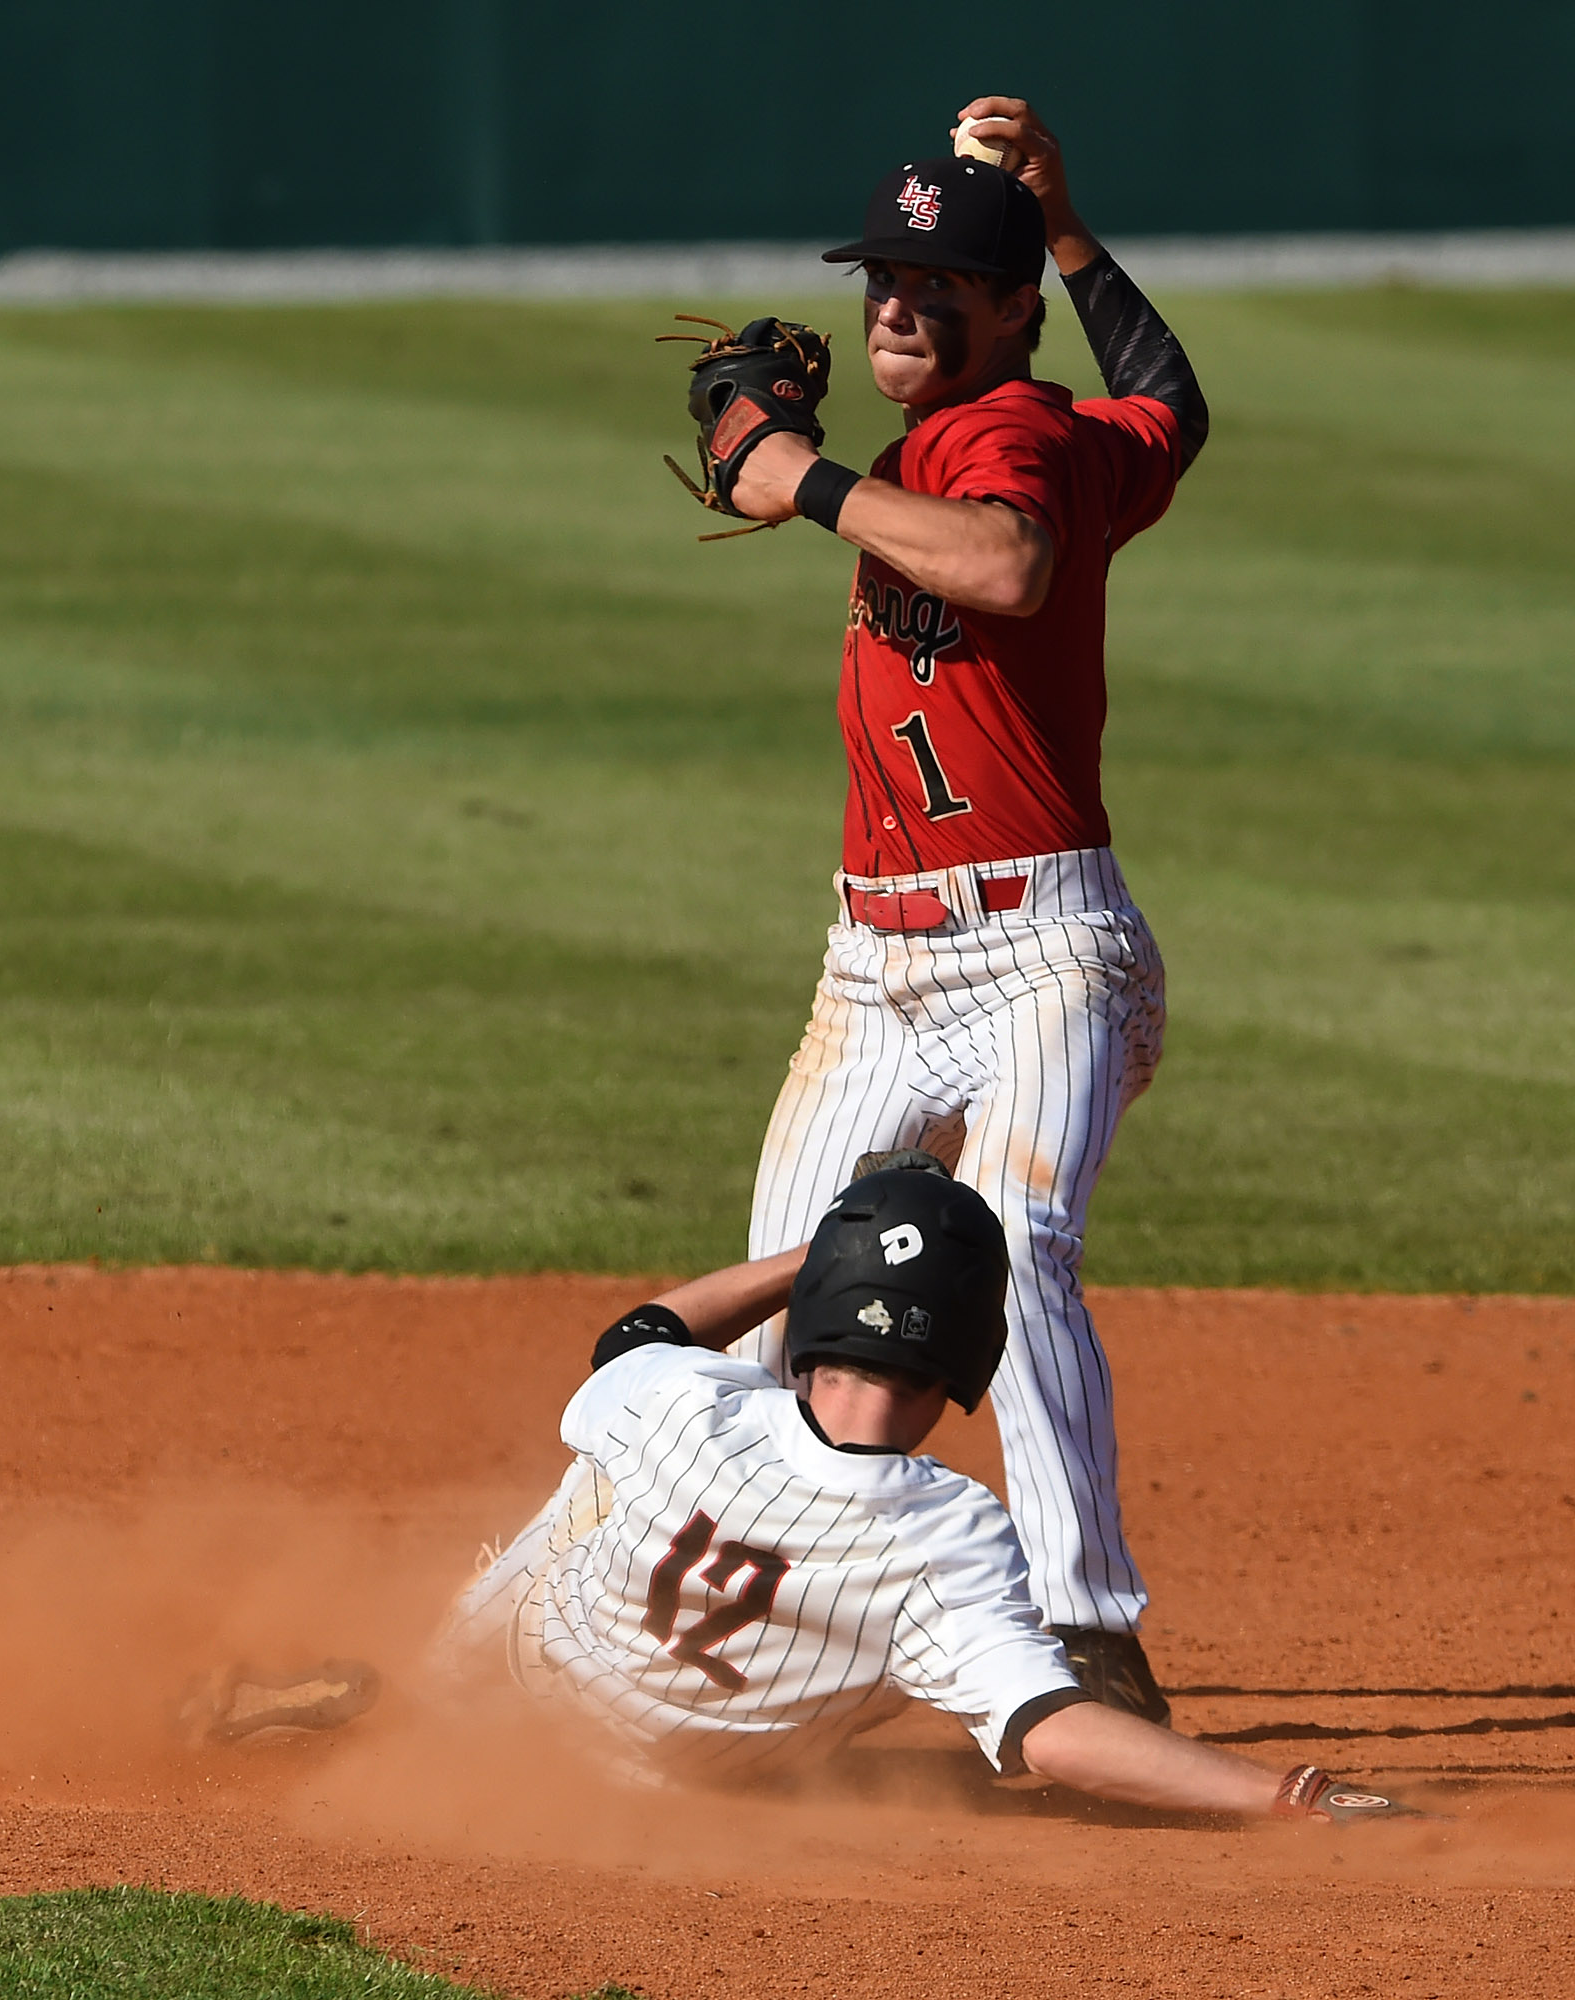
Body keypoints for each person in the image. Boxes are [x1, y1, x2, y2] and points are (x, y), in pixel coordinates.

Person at [716, 97, 1209, 1718]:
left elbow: (1000, 567)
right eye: (883, 282)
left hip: (1042, 957)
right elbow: (1171, 408)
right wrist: (1062, 225)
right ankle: (737, 1621)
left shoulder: (1011, 439)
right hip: (873, 965)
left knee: (1026, 1245)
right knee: (777, 1284)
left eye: (940, 284)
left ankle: (1085, 1643)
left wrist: (798, 476)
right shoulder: (1090, 432)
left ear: (1004, 320)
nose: (897, 309)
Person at [437, 1160, 1418, 1825]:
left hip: (495, 1695)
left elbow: (639, 1334)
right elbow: (1054, 1732)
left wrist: (823, 1245)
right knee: (901, 1644)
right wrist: (1289, 1793)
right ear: (969, 1350)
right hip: (649, 1787)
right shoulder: (943, 1532)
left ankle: (422, 1681)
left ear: (816, 1302)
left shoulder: (689, 1404)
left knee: (596, 1480)